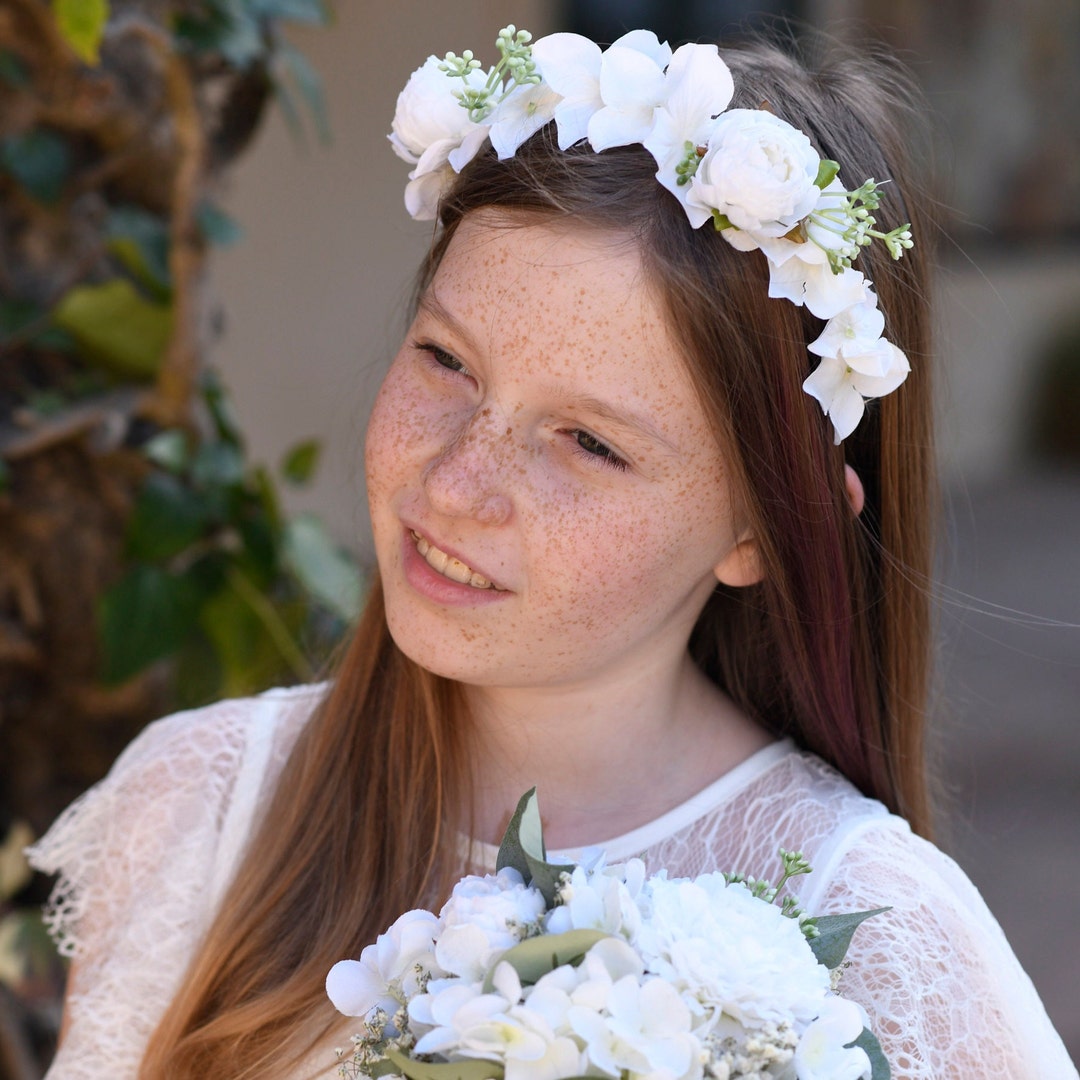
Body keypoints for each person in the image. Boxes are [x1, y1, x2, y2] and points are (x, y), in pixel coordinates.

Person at [28, 23, 1076, 1080]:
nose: (454, 485)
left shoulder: (873, 937)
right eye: (446, 359)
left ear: (766, 526)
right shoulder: (196, 808)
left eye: (588, 442)